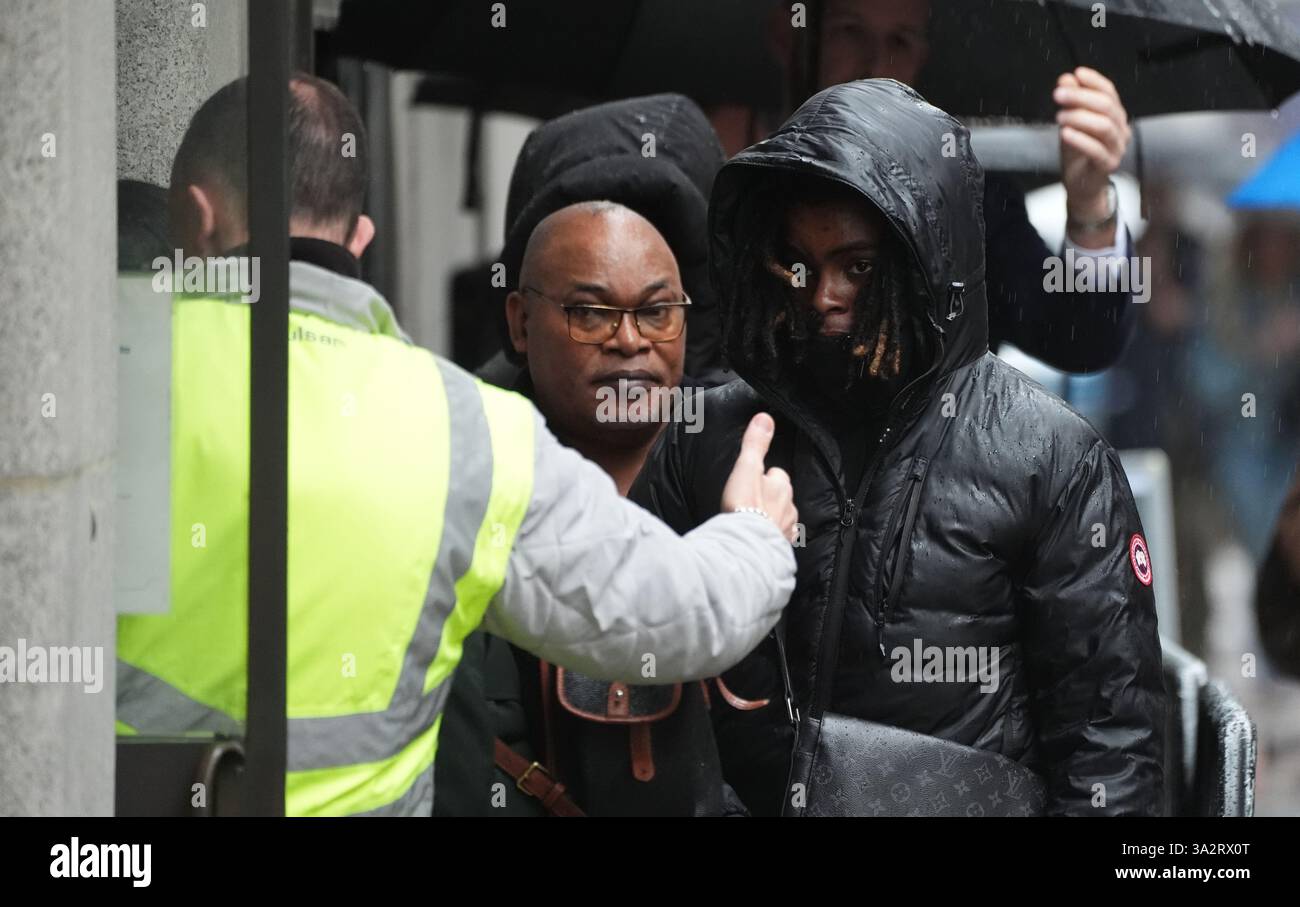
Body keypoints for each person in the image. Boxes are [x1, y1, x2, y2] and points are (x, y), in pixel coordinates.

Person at [115, 74, 800, 817]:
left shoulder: (102, 375)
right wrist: (760, 533)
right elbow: (680, 615)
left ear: (197, 214)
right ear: (361, 238)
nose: (628, 339)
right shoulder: (468, 427)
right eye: (588, 311)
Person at [632, 79, 1166, 816]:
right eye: (799, 264)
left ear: (925, 265)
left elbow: (1109, 747)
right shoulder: (710, 435)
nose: (823, 295)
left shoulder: (1053, 459)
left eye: (857, 266)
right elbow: (629, 679)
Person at [712, 0, 1137, 373]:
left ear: (922, 57)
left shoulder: (969, 202)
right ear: (788, 34)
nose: (874, 63)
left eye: (900, 41)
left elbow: (1081, 339)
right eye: (849, 31)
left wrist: (1090, 206)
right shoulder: (720, 165)